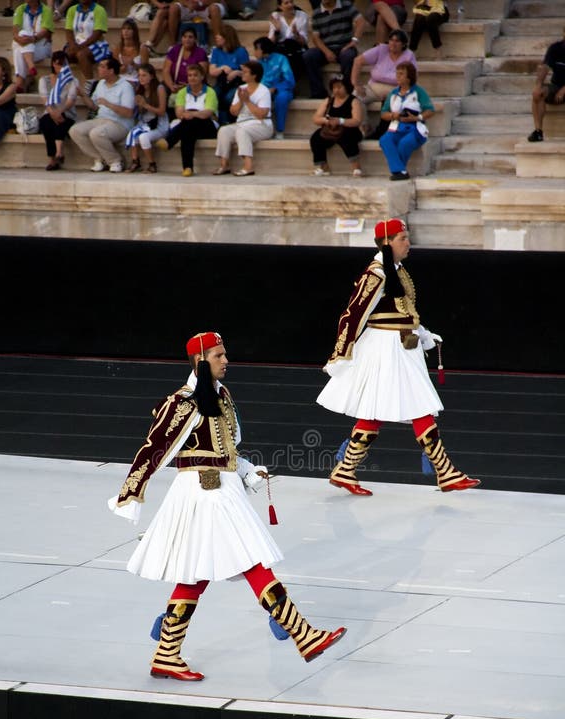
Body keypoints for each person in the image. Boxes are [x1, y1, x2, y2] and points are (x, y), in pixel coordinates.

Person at [109, 330, 346, 681]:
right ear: (200, 361)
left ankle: (166, 654)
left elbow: (228, 451)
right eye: (219, 355)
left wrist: (248, 472)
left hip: (223, 491)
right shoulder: (183, 402)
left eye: (224, 354)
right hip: (203, 496)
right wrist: (131, 494)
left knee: (197, 575)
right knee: (251, 561)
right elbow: (154, 448)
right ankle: (303, 635)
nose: (226, 360)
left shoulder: (222, 395)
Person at [317, 218, 481, 496]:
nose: (408, 243)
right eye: (402, 238)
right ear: (386, 242)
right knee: (417, 405)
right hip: (386, 349)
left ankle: (345, 469)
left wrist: (425, 335)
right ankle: (446, 473)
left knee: (379, 411)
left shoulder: (396, 270)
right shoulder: (377, 274)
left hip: (400, 347)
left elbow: (404, 313)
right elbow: (353, 315)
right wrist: (340, 354)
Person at [70, 55, 136, 172]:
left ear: (111, 71)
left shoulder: (125, 87)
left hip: (120, 123)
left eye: (102, 67)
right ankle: (100, 159)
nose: (98, 69)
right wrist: (83, 95)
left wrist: (109, 104)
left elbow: (128, 113)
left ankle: (116, 161)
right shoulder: (100, 84)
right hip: (101, 119)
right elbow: (94, 107)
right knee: (75, 130)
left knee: (96, 133)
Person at [351, 29, 417, 138]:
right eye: (391, 40)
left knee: (393, 101)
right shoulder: (381, 49)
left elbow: (412, 78)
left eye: (397, 41)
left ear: (404, 44)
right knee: (355, 96)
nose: (393, 44)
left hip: (396, 89)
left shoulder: (408, 56)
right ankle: (365, 127)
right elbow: (358, 61)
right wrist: (355, 83)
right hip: (374, 87)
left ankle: (384, 132)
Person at [213, 60, 273, 176]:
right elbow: (233, 112)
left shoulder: (263, 90)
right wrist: (241, 100)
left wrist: (247, 101)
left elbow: (262, 114)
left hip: (262, 125)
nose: (242, 74)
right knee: (224, 130)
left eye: (245, 72)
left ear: (254, 75)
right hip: (242, 123)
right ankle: (224, 165)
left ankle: (248, 166)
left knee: (242, 132)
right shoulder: (241, 89)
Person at [156, 63, 218, 175]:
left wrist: (192, 114)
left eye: (195, 75)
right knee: (188, 131)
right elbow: (179, 113)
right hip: (189, 125)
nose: (192, 78)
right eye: (190, 75)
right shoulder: (182, 92)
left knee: (190, 123)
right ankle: (188, 169)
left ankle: (170, 142)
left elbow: (207, 113)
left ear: (202, 77)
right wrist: (189, 115)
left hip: (207, 126)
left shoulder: (210, 92)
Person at [379, 61, 434, 180]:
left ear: (409, 77)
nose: (397, 77)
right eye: (397, 73)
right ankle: (401, 171)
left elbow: (430, 110)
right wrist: (394, 115)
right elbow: (383, 113)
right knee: (385, 140)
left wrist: (416, 117)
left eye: (401, 74)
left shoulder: (419, 92)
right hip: (397, 126)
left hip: (414, 127)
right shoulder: (393, 93)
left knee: (405, 143)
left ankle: (398, 171)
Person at [303, 0, 365, 100]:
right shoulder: (317, 13)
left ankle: (347, 90)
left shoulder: (346, 5)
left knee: (348, 56)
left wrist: (354, 40)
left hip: (345, 46)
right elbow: (315, 37)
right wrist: (326, 52)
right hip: (326, 48)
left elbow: (361, 21)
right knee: (308, 56)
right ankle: (318, 92)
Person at [310, 73, 363, 175]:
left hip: (349, 129)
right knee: (316, 138)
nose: (336, 90)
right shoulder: (329, 100)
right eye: (334, 87)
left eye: (339, 87)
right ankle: (323, 167)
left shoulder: (354, 101)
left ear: (346, 87)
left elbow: (357, 120)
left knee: (347, 137)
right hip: (331, 130)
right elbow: (316, 118)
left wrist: (340, 121)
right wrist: (327, 121)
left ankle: (356, 167)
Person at [125, 63, 169, 173]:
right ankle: (135, 162)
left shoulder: (160, 88)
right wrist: (139, 106)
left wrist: (145, 105)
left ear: (152, 76)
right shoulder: (140, 90)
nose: (141, 78)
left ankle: (152, 164)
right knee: (132, 133)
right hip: (145, 123)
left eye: (144, 75)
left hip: (159, 124)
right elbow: (141, 113)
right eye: (139, 75)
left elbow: (162, 111)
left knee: (143, 137)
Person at [38, 50, 78, 170]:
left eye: (62, 64)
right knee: (46, 122)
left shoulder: (72, 81)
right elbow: (45, 99)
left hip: (67, 113)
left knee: (61, 121)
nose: (59, 67)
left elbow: (70, 100)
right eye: (57, 64)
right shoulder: (44, 80)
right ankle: (55, 155)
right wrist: (53, 112)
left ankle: (57, 154)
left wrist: (59, 112)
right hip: (50, 112)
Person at [64, 0, 111, 96]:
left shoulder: (99, 10)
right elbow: (69, 31)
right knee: (64, 55)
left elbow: (97, 33)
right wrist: (73, 45)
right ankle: (66, 83)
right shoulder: (72, 10)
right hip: (77, 43)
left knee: (81, 54)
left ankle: (90, 82)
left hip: (96, 43)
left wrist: (80, 47)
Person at [252, 37, 295, 140]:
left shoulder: (281, 59)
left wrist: (275, 88)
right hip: (262, 90)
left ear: (263, 49)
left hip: (281, 89)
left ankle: (280, 131)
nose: (255, 52)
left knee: (282, 98)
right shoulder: (257, 63)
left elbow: (290, 80)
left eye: (256, 49)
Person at [527, 26, 565, 143]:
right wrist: (538, 85)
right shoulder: (555, 48)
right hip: (556, 86)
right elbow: (545, 68)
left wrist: (564, 89)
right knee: (538, 94)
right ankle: (538, 132)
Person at [209, 24, 249, 125]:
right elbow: (212, 71)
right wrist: (222, 68)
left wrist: (236, 72)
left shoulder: (241, 51)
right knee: (214, 94)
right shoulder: (216, 51)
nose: (216, 37)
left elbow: (247, 72)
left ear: (227, 37)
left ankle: (230, 120)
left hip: (236, 83)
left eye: (219, 36)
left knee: (228, 98)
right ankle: (220, 122)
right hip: (222, 82)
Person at [161, 26, 209, 111]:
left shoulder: (200, 52)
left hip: (194, 84)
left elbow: (202, 73)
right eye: (185, 37)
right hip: (174, 84)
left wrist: (187, 86)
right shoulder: (175, 50)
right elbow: (166, 71)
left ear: (195, 39)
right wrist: (171, 86)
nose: (187, 39)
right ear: (181, 38)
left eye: (190, 37)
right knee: (161, 89)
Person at [11, 0, 53, 93]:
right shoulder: (20, 9)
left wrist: (32, 38)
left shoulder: (46, 11)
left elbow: (44, 32)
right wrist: (20, 39)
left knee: (19, 49)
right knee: (21, 35)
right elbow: (15, 31)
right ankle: (30, 66)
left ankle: (19, 82)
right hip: (23, 43)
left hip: (41, 45)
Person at [268, 0, 309, 84]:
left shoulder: (302, 15)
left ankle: (289, 85)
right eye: (286, 3)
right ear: (280, 6)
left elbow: (303, 42)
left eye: (291, 2)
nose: (290, 5)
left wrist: (296, 34)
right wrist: (277, 31)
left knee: (292, 57)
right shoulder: (275, 16)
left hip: (296, 46)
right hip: (280, 47)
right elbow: (270, 42)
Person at [114, 17, 142, 87]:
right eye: (123, 29)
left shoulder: (142, 48)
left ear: (134, 31)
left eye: (129, 29)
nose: (125, 31)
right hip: (120, 79)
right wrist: (122, 69)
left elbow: (147, 70)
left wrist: (133, 64)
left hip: (135, 80)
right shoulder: (117, 48)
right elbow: (114, 70)